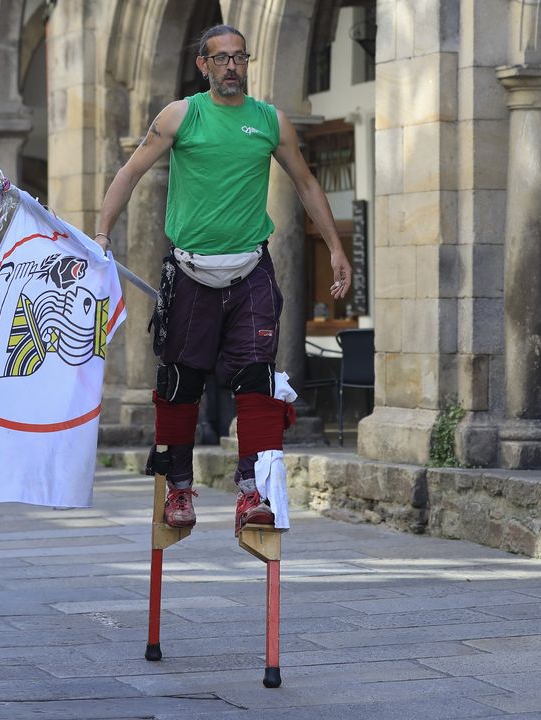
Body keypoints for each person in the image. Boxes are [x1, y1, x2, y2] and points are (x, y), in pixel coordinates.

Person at [94, 24, 352, 531]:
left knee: (257, 379)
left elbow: (305, 183)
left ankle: (252, 491)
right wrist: (102, 234)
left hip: (250, 268)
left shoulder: (270, 121)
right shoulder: (180, 115)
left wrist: (337, 248)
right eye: (221, 59)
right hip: (190, 271)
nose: (232, 66)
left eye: (239, 58)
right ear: (203, 65)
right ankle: (180, 490)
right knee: (179, 382)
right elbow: (130, 172)